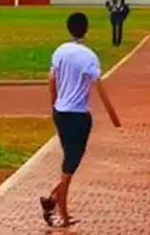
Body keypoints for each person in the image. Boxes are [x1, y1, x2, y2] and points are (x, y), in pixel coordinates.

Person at [40, 12, 121, 229]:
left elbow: (51, 80)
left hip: (61, 113)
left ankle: (51, 201)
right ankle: (60, 213)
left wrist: (54, 106)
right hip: (78, 117)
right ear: (86, 30)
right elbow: (99, 86)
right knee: (69, 167)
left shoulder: (60, 51)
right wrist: (114, 116)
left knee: (70, 163)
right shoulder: (89, 56)